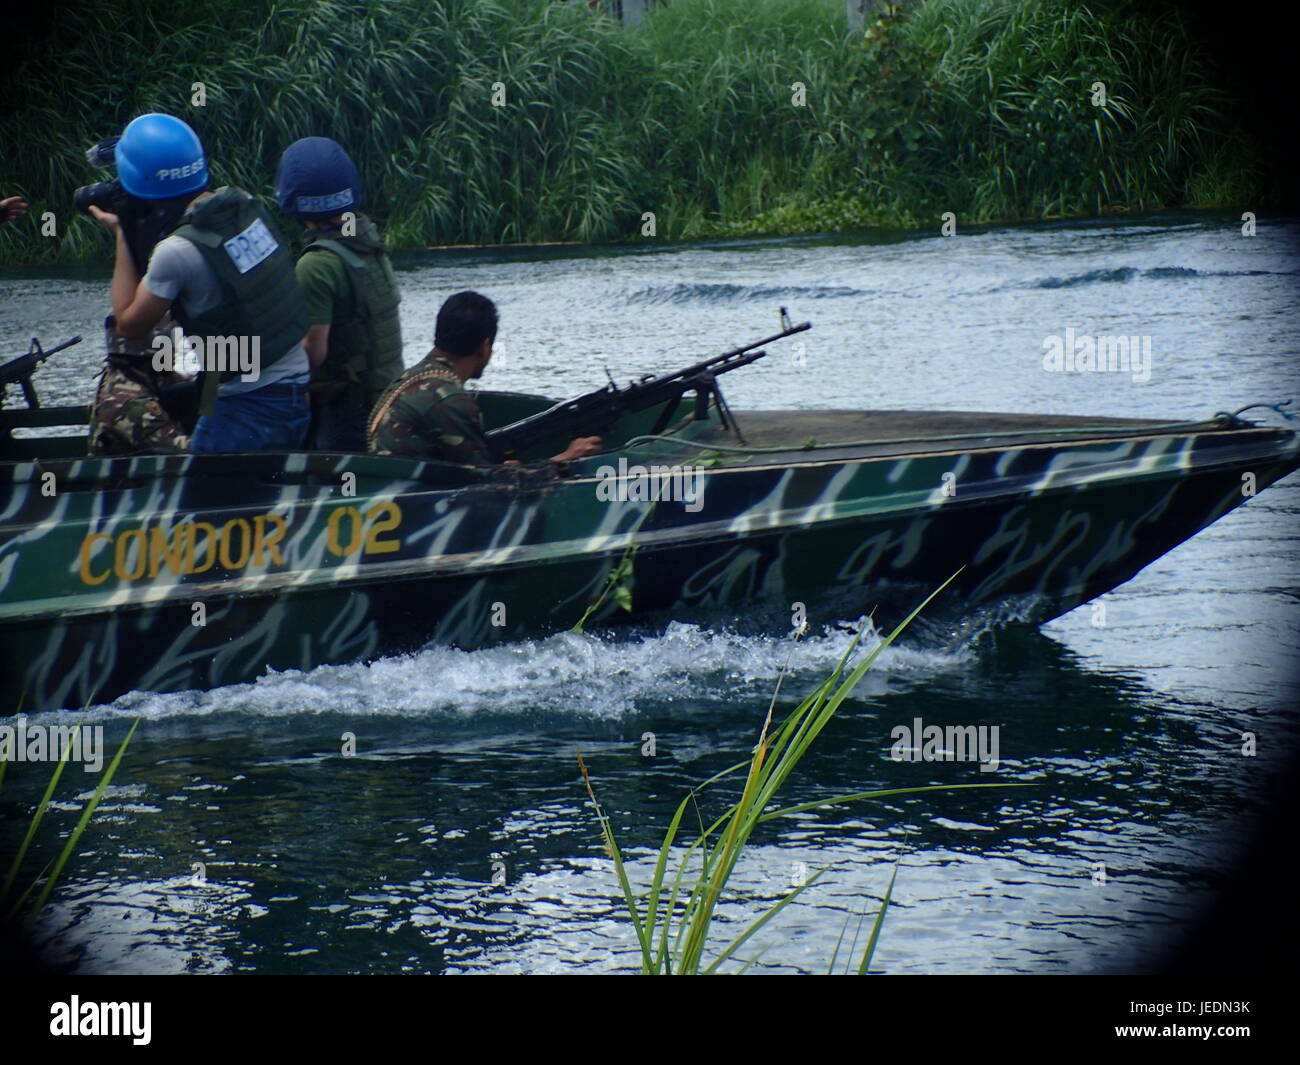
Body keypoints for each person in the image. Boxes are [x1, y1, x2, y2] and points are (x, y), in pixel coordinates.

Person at [89, 113, 312, 453]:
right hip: (294, 389)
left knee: (193, 496)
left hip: (251, 406)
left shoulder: (177, 251)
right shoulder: (241, 208)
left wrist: (122, 234)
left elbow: (129, 325)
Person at [367, 291, 601, 467]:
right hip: (417, 506)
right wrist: (566, 458)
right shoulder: (448, 399)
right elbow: (489, 486)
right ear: (486, 346)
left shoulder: (412, 377)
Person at [275, 137, 403, 452]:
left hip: (348, 413)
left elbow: (313, 354)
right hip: (389, 400)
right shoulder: (369, 242)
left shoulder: (316, 264)